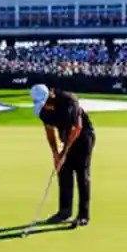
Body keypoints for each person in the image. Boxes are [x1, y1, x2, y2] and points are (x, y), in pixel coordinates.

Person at [31, 83, 95, 227]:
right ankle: (64, 211)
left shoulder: (68, 100)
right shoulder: (42, 110)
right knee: (64, 171)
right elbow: (49, 130)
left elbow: (77, 127)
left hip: (84, 136)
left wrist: (65, 152)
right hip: (65, 135)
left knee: (81, 173)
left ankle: (83, 215)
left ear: (50, 95)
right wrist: (55, 154)